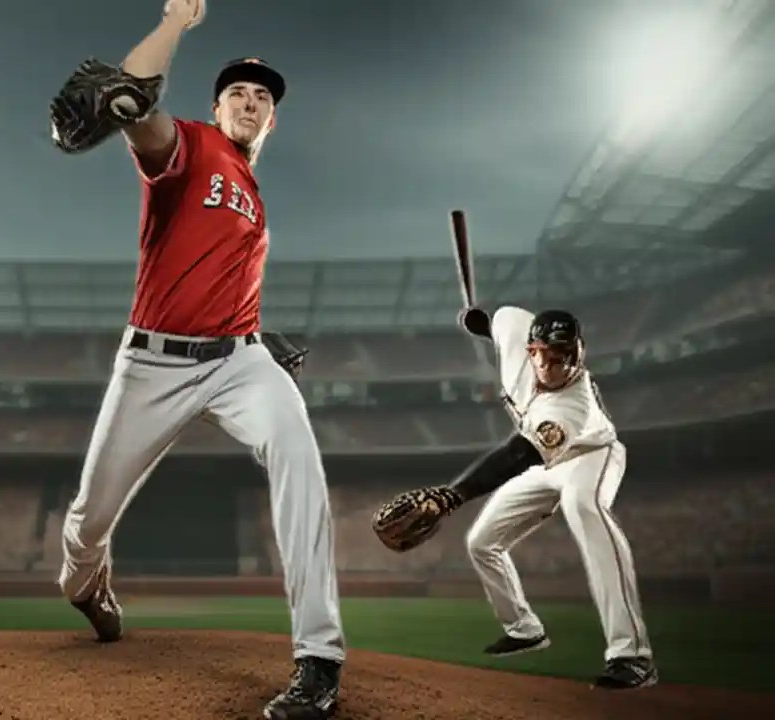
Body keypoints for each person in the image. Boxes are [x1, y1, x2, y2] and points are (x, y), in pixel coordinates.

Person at [56, 2, 344, 717]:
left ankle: (319, 659)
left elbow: (218, 276)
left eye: (262, 97)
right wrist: (173, 26)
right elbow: (134, 106)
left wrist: (261, 339)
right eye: (237, 92)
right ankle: (87, 587)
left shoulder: (253, 195)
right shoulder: (190, 145)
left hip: (240, 360)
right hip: (152, 365)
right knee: (86, 526)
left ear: (272, 120)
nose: (250, 101)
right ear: (216, 109)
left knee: (299, 456)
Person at [376, 305, 657, 690]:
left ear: (578, 352)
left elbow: (518, 454)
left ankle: (632, 654)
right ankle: (524, 629)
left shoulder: (572, 403)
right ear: (530, 349)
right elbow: (500, 321)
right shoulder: (513, 329)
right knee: (481, 542)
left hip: (590, 455)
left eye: (563, 354)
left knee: (584, 507)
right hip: (545, 464)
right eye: (544, 353)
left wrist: (453, 495)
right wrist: (482, 324)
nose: (552, 364)